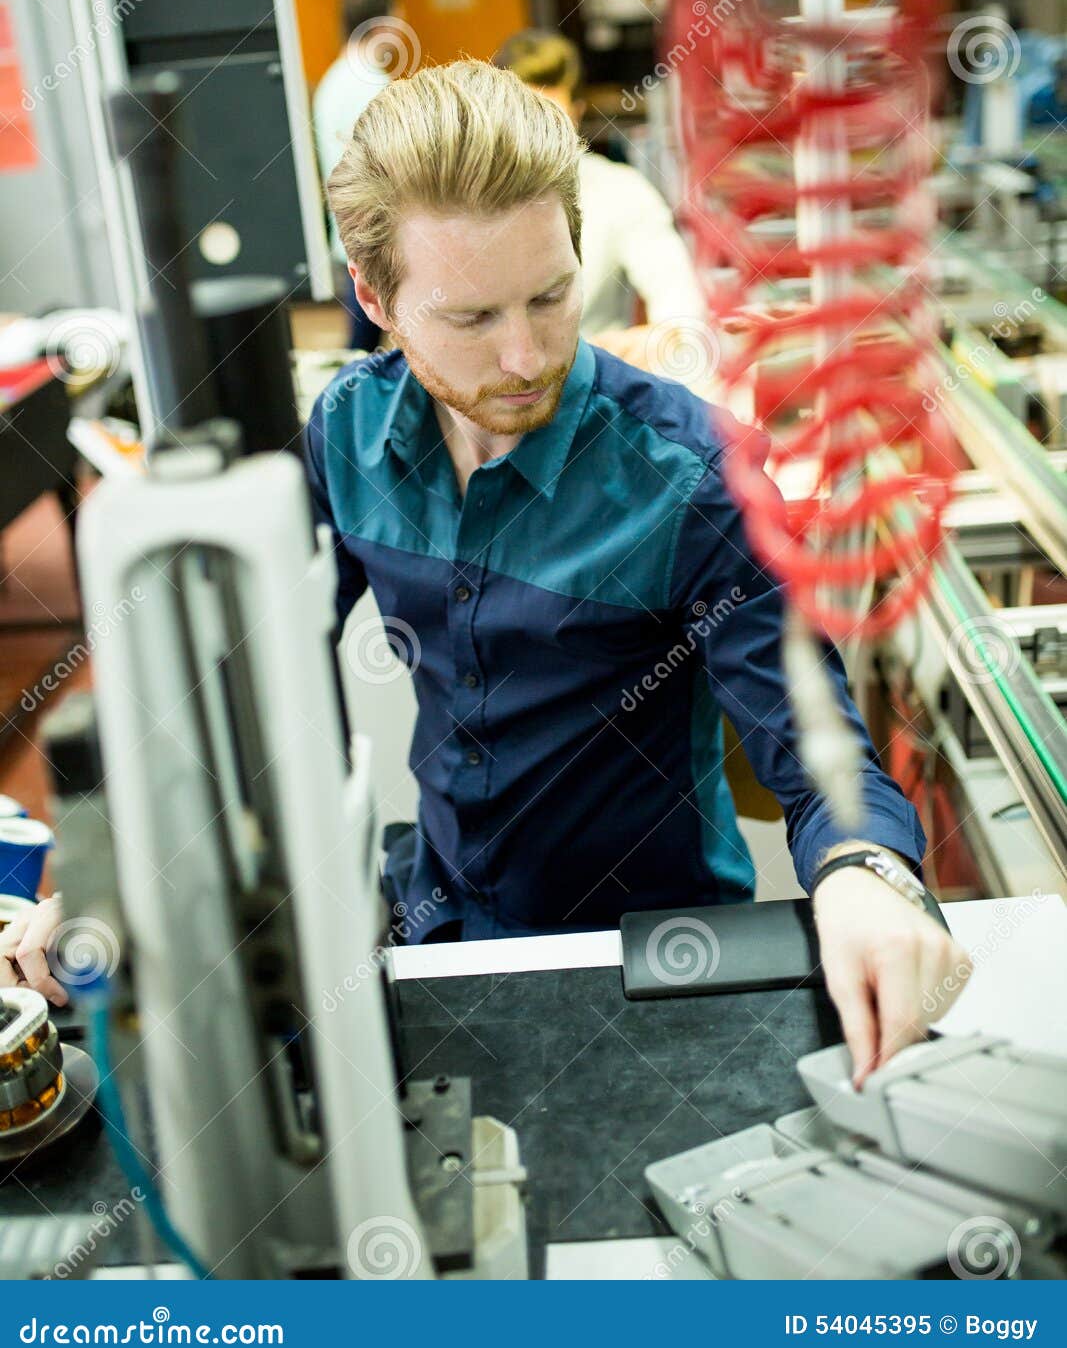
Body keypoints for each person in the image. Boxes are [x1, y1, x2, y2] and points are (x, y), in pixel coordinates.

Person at [307, 58, 964, 1085]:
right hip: (438, 928)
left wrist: (865, 874)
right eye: (471, 319)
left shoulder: (693, 477)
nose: (526, 355)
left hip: (654, 962)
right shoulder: (345, 432)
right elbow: (264, 663)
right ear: (374, 298)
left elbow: (814, 747)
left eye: (550, 295)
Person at [493, 30, 705, 335]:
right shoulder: (468, 200)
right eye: (523, 119)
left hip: (597, 373)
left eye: (553, 119)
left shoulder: (619, 191)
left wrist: (657, 342)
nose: (536, 137)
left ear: (576, 115)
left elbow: (681, 306)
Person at [312, 0, 398, 351]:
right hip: (376, 229)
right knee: (368, 333)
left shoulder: (332, 80)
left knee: (363, 331)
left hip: (350, 227)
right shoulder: (371, 82)